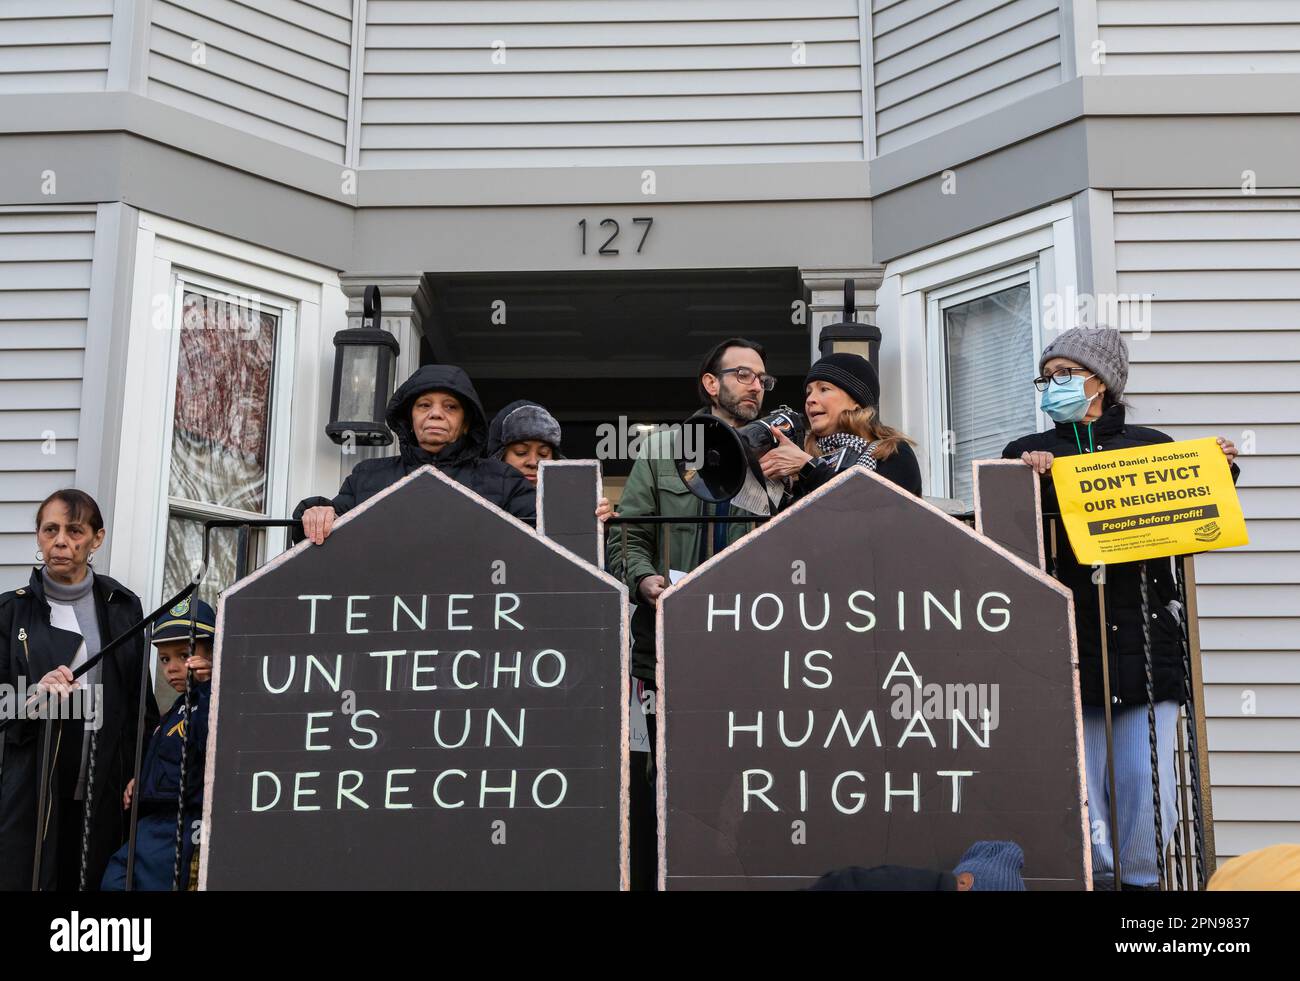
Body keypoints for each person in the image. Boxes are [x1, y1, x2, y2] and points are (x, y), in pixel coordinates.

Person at [1001, 325, 1240, 890]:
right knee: (1082, 787)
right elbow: (1007, 532)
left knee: (1143, 781)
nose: (1053, 385)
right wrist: (1026, 480)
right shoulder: (1026, 452)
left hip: (1145, 642)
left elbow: (1198, 497)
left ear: (1100, 382)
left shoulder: (1150, 447)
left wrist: (1220, 467)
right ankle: (1097, 879)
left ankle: (1140, 887)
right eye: (1047, 376)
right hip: (1065, 644)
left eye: (1065, 374)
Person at [606, 337, 789, 889]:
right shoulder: (663, 448)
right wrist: (645, 581)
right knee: (672, 782)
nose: (756, 384)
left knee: (752, 783)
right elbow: (628, 534)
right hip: (667, 649)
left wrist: (792, 475)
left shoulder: (777, 449)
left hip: (752, 648)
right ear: (711, 384)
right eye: (743, 374)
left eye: (763, 377)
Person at [0, 489, 158, 890]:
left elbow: (140, 699)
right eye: (50, 530)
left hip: (104, 784)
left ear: (96, 538)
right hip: (32, 788)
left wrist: (142, 770)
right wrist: (33, 694)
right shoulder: (10, 612)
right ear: (38, 535)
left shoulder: (122, 605)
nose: (61, 541)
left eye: (75, 531)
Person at [294, 364, 536, 544]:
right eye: (424, 405)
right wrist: (317, 511)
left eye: (450, 406)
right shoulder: (367, 476)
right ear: (409, 420)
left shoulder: (502, 479)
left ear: (465, 423)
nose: (436, 414)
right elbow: (329, 530)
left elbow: (548, 533)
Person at [101, 599, 215, 891]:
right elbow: (167, 754)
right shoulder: (178, 706)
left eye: (184, 655)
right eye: (165, 659)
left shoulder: (213, 700)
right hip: (153, 821)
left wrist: (210, 684)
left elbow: (208, 745)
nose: (172, 668)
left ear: (212, 653)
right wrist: (142, 780)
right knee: (115, 878)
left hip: (185, 824)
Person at [758, 352, 923, 497]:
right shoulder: (801, 455)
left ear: (855, 402)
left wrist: (808, 468)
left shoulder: (893, 452)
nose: (810, 400)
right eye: (809, 392)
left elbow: (871, 506)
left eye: (824, 389)